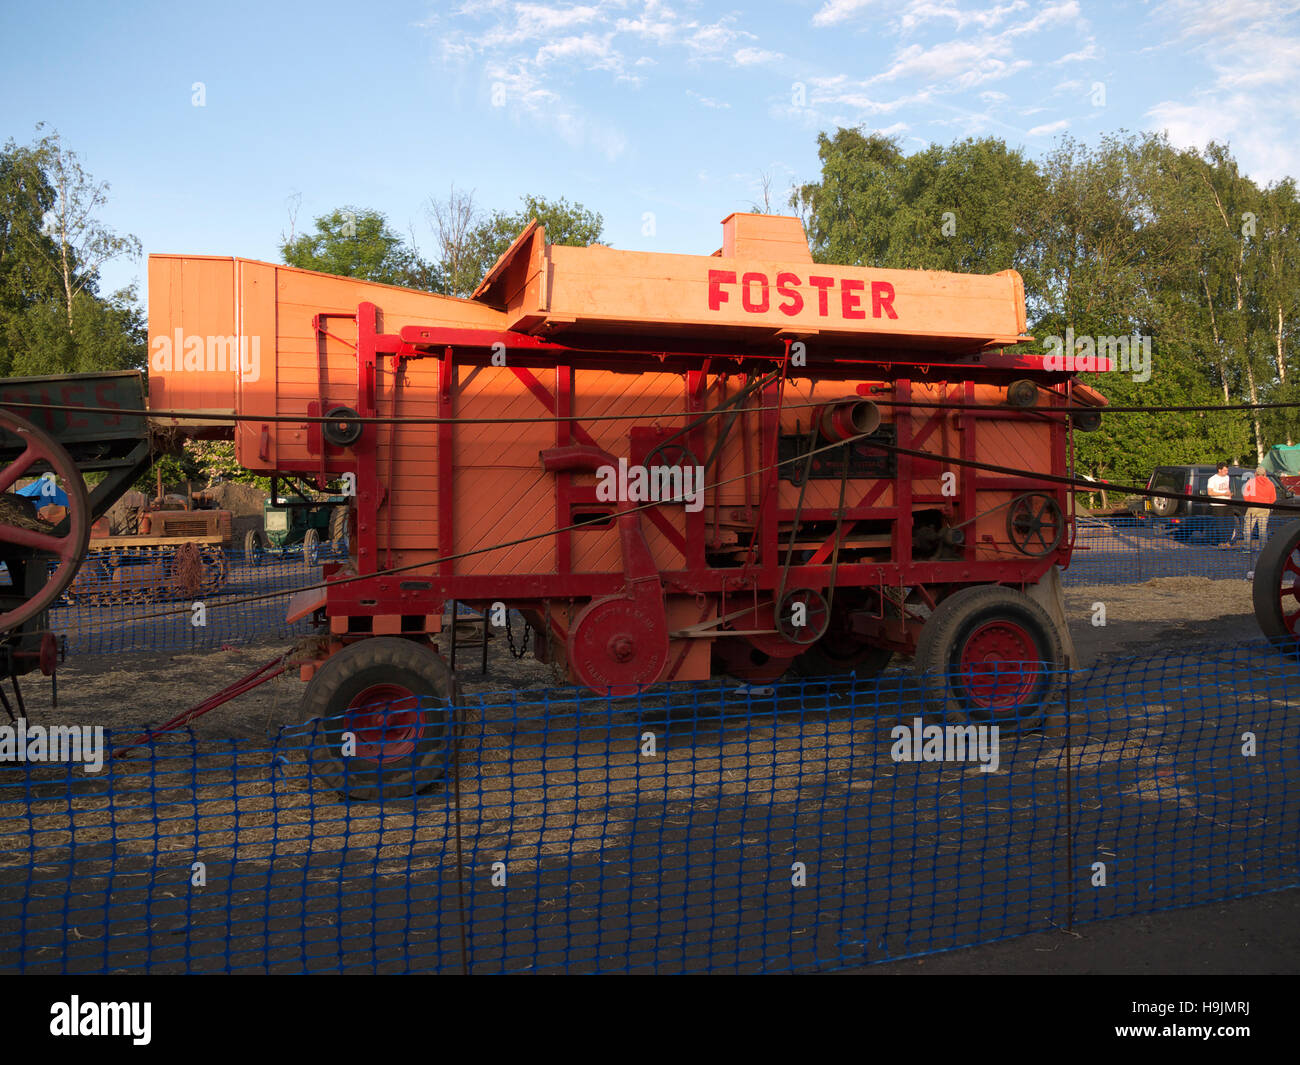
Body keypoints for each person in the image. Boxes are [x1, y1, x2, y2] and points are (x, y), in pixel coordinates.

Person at [1242, 465, 1276, 559]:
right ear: (1265, 474)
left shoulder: (1251, 482)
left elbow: (1246, 496)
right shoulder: (1270, 483)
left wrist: (1251, 501)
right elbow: (1273, 498)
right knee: (1263, 529)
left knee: (1248, 528)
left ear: (1255, 474)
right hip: (1265, 507)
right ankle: (1263, 548)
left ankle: (1247, 548)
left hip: (1253, 507)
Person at [1207, 461, 1233, 546]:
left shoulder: (1227, 477)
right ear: (1219, 470)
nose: (1227, 472)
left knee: (1229, 523)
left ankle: (1227, 541)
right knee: (1220, 524)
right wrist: (1223, 494)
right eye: (1225, 470)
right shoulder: (1212, 479)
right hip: (1218, 505)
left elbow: (1227, 488)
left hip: (1227, 503)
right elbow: (1210, 492)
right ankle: (1221, 542)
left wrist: (1229, 494)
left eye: (1227, 470)